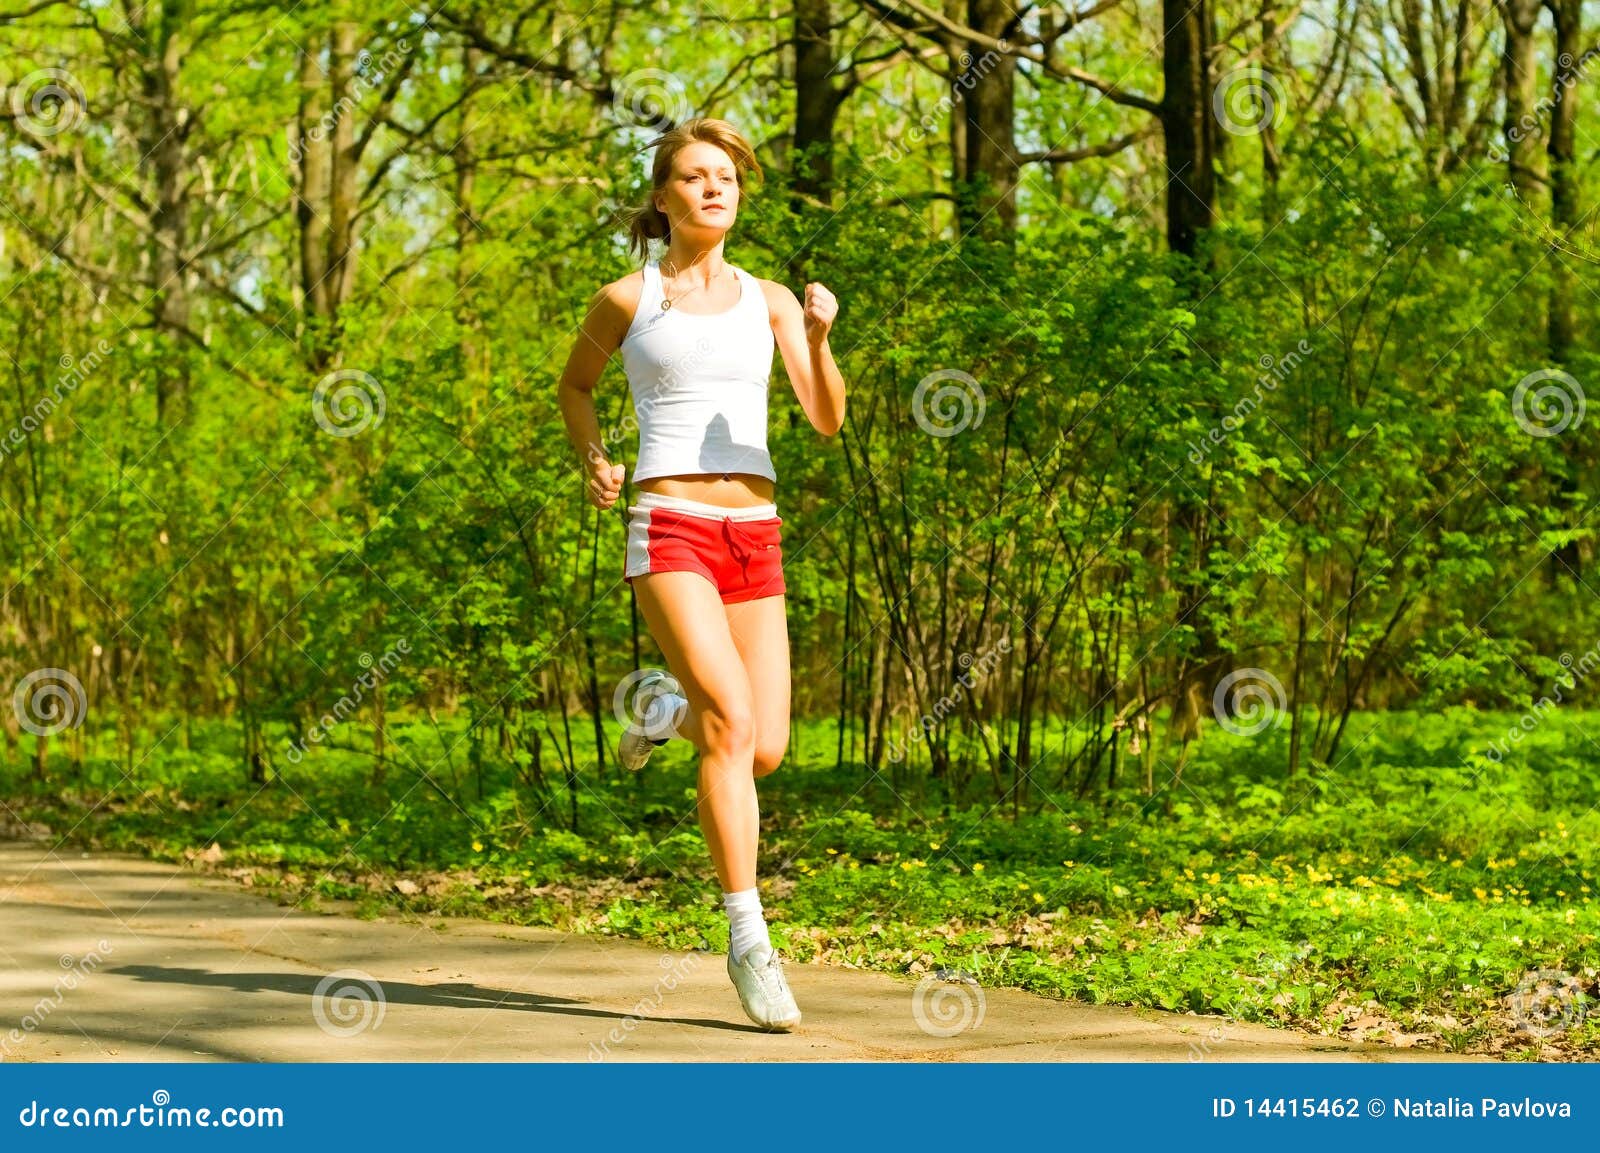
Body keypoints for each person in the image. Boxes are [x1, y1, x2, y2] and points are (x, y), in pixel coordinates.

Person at [556, 118, 845, 1031]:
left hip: (756, 528)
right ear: (663, 197)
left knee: (763, 747)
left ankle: (658, 711)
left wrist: (820, 335)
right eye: (694, 176)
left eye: (726, 176)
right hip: (670, 522)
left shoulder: (768, 300)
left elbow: (826, 419)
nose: (714, 187)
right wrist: (594, 456)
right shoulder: (626, 298)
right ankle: (749, 938)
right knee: (730, 722)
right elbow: (575, 386)